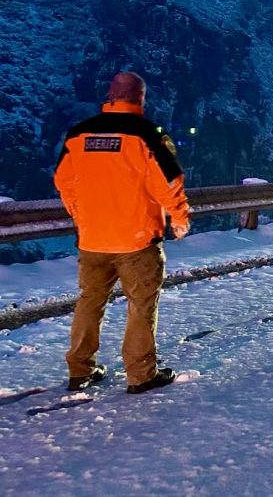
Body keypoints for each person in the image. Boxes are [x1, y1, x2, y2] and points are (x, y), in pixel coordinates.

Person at [54, 72, 190, 394]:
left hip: (92, 239)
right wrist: (179, 218)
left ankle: (80, 369)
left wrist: (80, 214)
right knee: (141, 305)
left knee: (89, 301)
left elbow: (63, 181)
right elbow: (167, 183)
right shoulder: (146, 135)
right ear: (140, 98)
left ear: (110, 95)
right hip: (137, 240)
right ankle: (141, 374)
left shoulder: (78, 134)